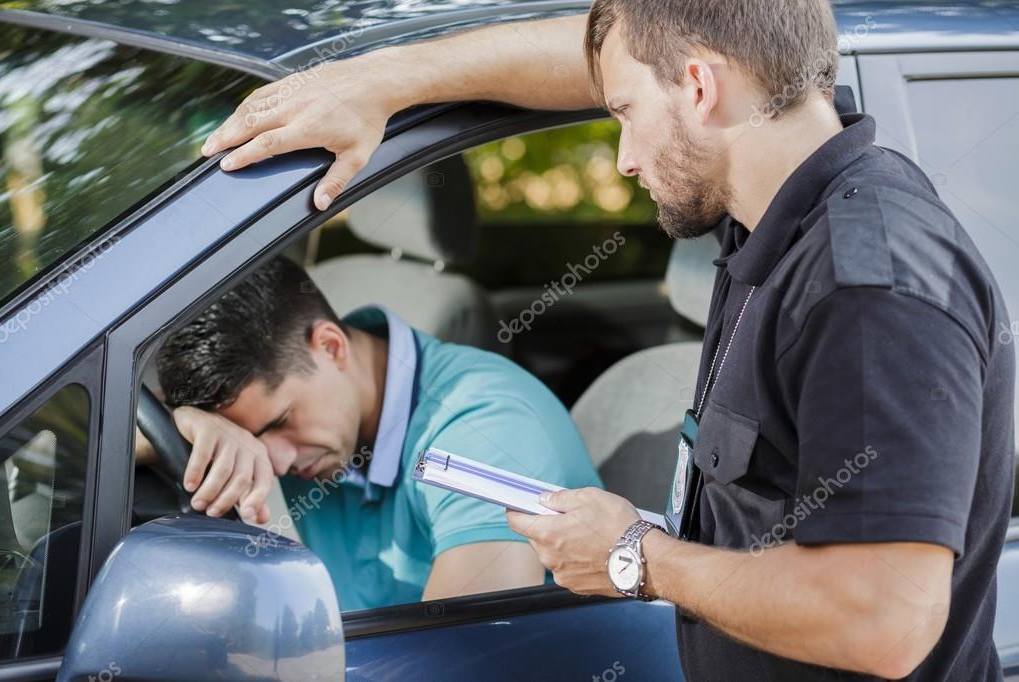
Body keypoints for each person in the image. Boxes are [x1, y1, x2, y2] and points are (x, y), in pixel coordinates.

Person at [200, 1, 1015, 680]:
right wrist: (386, 81)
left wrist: (636, 554)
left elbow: (884, 620)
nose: (621, 157)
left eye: (622, 113)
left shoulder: (867, 285)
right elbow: (604, 53)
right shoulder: (768, 212)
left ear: (698, 85)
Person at [148, 256, 601, 611]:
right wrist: (186, 423)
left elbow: (457, 660)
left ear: (330, 346)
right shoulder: (318, 422)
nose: (277, 463)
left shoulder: (484, 425)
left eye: (280, 422)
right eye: (246, 437)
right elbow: (101, 444)